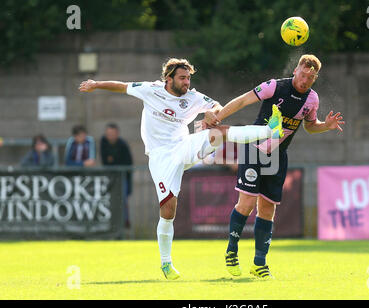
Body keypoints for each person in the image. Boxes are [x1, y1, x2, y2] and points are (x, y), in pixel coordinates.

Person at [78, 57, 284, 280]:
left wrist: (211, 112)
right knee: (168, 210)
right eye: (183, 78)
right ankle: (166, 264)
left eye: (189, 78)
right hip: (160, 156)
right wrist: (96, 84)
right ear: (169, 79)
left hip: (183, 146)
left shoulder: (193, 97)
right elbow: (122, 86)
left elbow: (216, 106)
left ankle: (270, 130)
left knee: (220, 132)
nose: (187, 82)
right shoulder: (151, 90)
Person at [205, 54, 345, 279]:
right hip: (254, 149)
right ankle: (232, 250)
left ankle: (259, 263)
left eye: (311, 77)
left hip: (278, 155)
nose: (305, 80)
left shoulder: (312, 99)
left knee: (268, 208)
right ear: (296, 71)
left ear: (314, 78)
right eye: (303, 74)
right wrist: (217, 117)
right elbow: (242, 100)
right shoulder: (274, 86)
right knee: (247, 203)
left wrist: (325, 126)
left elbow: (310, 127)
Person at [100, 123, 134, 228]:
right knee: (110, 201)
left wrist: (113, 161)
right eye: (108, 133)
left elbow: (128, 163)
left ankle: (124, 224)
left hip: (123, 178)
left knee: (122, 201)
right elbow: (105, 161)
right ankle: (111, 225)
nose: (110, 136)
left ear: (117, 133)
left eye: (112, 133)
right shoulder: (103, 142)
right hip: (110, 177)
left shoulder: (122, 145)